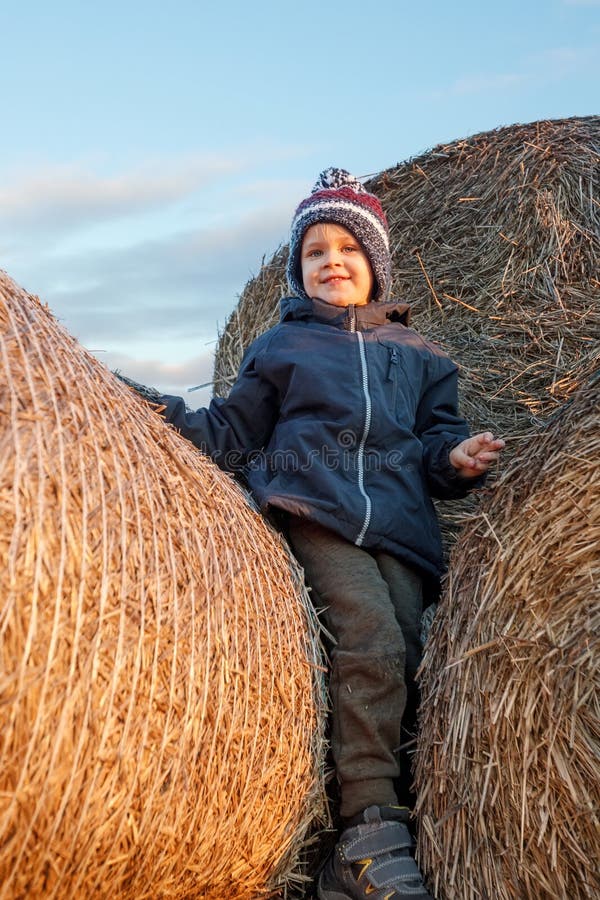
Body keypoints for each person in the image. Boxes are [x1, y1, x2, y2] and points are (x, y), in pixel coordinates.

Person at [117, 168, 504, 900]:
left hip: (400, 527)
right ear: (298, 274)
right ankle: (366, 828)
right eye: (313, 253)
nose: (330, 261)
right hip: (314, 510)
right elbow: (230, 431)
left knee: (411, 661)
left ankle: (372, 830)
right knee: (371, 641)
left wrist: (455, 460)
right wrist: (155, 414)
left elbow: (435, 442)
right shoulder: (283, 346)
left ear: (374, 263)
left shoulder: (420, 356)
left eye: (346, 249)